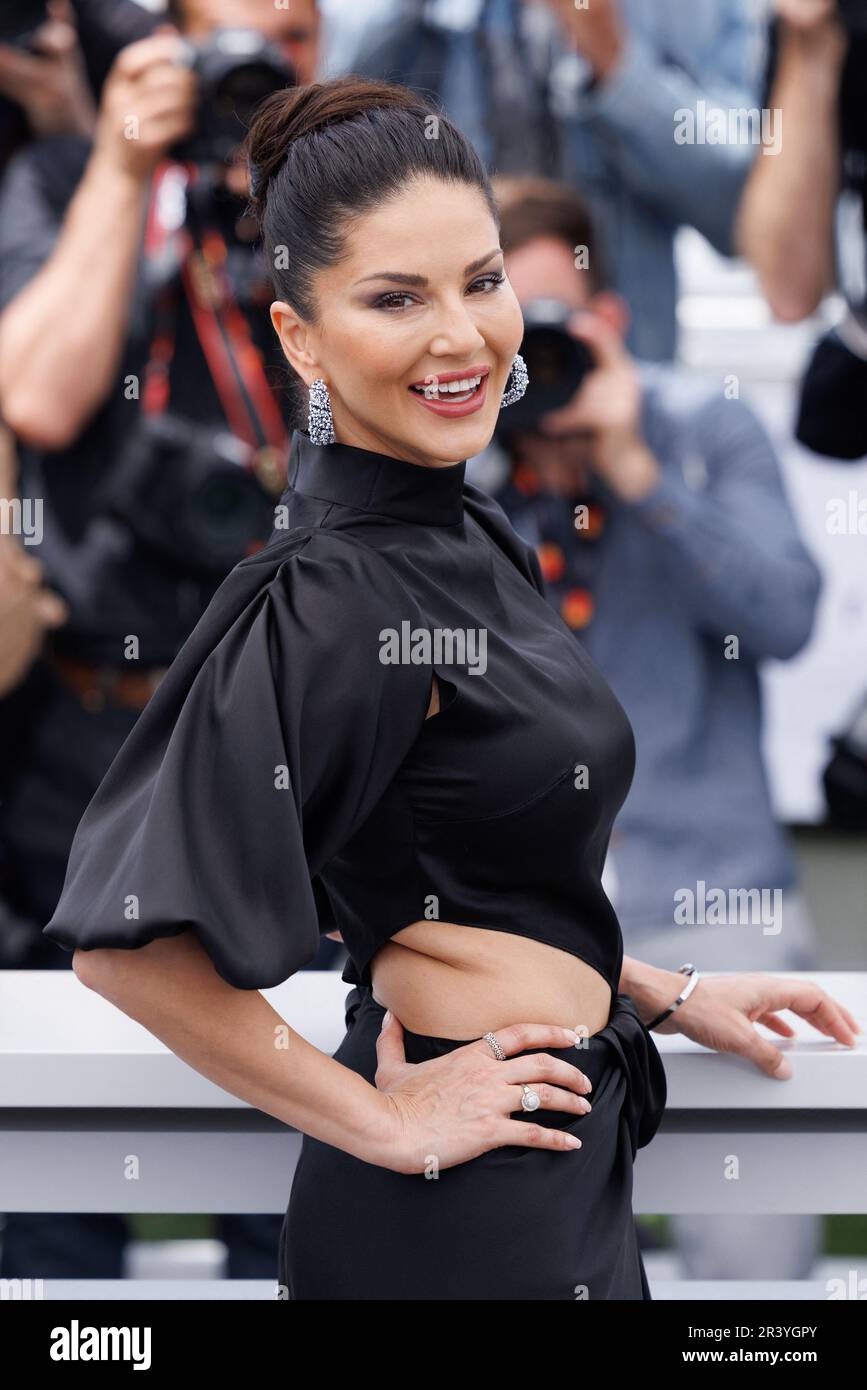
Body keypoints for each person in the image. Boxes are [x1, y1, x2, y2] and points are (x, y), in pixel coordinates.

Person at [43, 74, 859, 1302]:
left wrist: (659, 991)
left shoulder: (468, 534)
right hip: (458, 1211)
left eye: (481, 281)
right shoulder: (333, 592)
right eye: (394, 298)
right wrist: (386, 1124)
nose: (461, 336)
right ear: (298, 337)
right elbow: (133, 951)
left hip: (550, 1161)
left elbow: (458, 872)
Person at [0, 0, 322, 1281]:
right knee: (54, 1181)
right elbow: (37, 389)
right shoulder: (70, 177)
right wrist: (129, 168)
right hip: (89, 735)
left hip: (289, 734)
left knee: (295, 1153)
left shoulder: (348, 203)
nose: (265, 66)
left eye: (294, 36)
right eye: (234, 41)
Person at [471, 172, 829, 1279]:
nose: (536, 367)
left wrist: (633, 469)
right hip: (529, 942)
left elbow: (785, 614)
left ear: (610, 321)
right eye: (506, 340)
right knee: (532, 1269)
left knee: (754, 1283)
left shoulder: (701, 425)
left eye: (554, 331)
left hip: (716, 906)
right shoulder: (464, 476)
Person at [342, 0, 767, 361]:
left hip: (621, 378)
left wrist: (614, 61)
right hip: (445, 379)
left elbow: (740, 215)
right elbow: (324, 157)